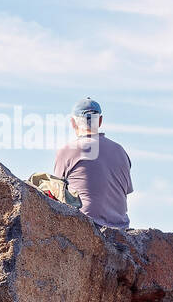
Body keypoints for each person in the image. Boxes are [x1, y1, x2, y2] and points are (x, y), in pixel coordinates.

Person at [52, 97, 133, 228]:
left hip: (86, 226)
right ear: (100, 121)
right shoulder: (120, 151)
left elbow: (56, 194)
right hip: (121, 227)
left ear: (73, 123)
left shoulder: (67, 151)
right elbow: (123, 191)